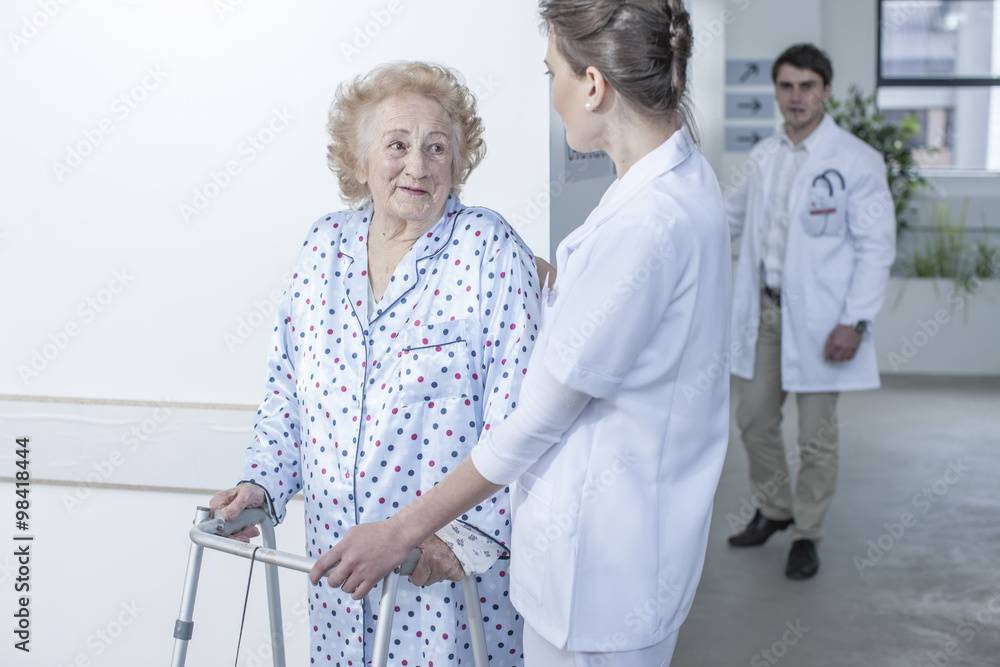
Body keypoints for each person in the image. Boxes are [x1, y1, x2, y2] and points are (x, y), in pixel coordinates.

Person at [309, 2, 732, 665]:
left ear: (593, 85)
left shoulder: (646, 226)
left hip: (596, 581)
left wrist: (403, 529)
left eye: (551, 73)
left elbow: (533, 420)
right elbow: (616, 317)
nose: (553, 94)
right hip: (616, 560)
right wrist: (544, 281)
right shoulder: (672, 188)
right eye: (396, 145)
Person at [210, 61, 549, 666]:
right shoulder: (321, 248)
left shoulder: (489, 251)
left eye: (436, 147)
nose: (418, 165)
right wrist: (259, 485)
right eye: (397, 145)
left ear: (458, 160)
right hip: (342, 578)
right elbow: (288, 395)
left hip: (444, 584)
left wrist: (461, 542)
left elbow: (521, 422)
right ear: (359, 158)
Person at [724, 44, 896, 579]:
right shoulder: (764, 155)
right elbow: (728, 219)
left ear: (826, 90)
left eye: (807, 87)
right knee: (753, 418)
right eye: (786, 86)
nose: (796, 97)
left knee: (817, 435)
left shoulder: (855, 159)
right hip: (765, 313)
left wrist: (856, 319)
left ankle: (808, 531)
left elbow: (876, 246)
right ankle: (776, 508)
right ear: (776, 91)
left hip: (825, 321)